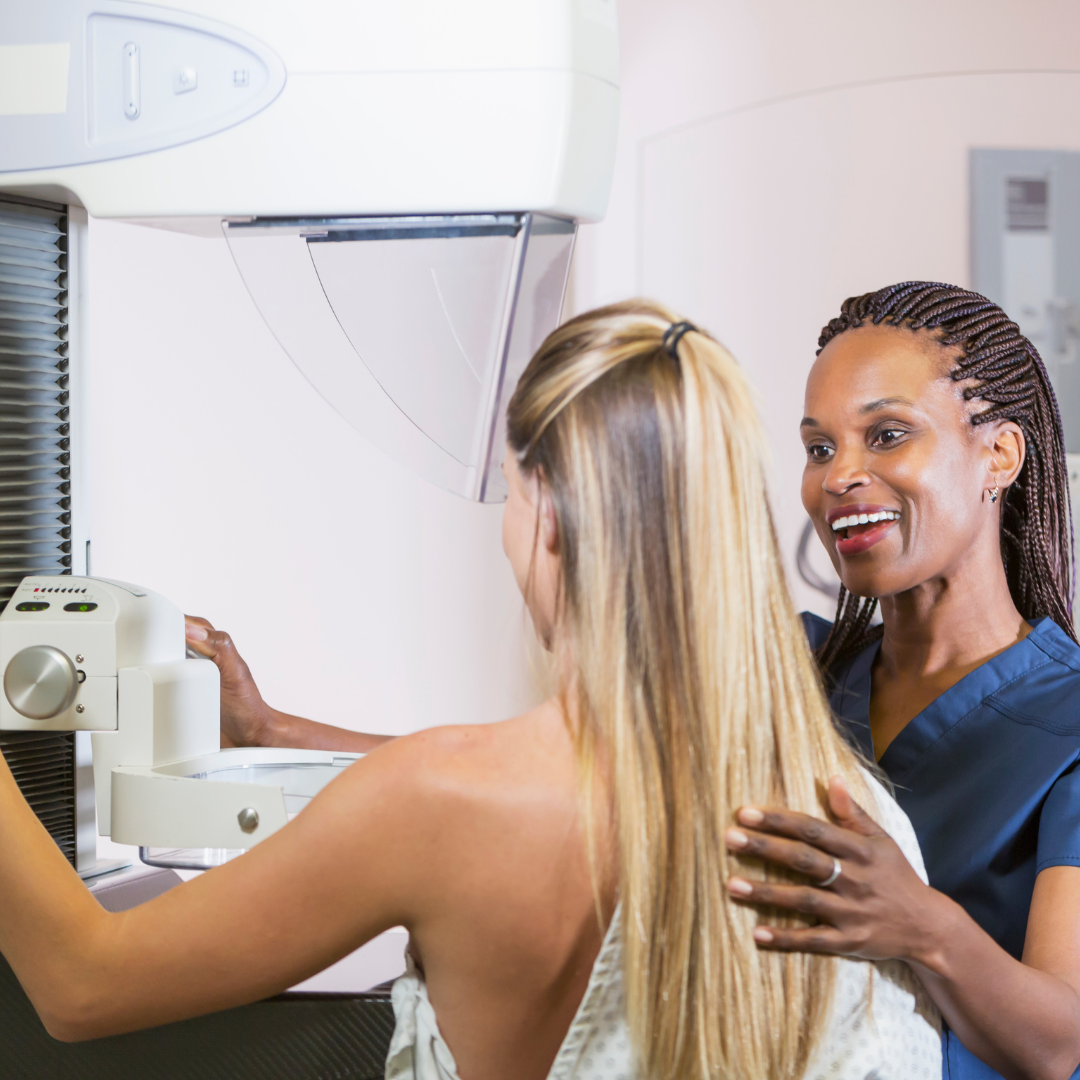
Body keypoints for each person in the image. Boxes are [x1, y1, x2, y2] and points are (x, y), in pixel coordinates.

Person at [0, 301, 939, 1080]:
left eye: (511, 490)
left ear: (553, 515)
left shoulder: (435, 803)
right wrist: (270, 728)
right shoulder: (857, 825)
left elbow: (83, 985)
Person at [723, 281, 1080, 1080]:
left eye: (887, 434)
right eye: (819, 448)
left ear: (1000, 455)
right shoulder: (789, 675)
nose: (839, 476)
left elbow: (1061, 1042)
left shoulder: (1067, 723)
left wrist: (920, 924)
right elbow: (571, 759)